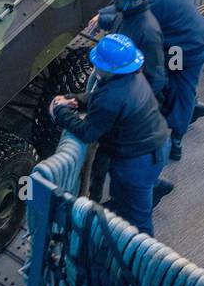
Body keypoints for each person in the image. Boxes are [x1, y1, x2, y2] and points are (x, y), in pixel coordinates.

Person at [48, 34, 171, 236]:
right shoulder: (130, 77)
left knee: (139, 221)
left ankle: (134, 265)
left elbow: (88, 132)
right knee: (124, 199)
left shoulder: (112, 95)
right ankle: (152, 189)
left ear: (109, 68)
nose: (96, 67)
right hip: (154, 145)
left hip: (138, 162)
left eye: (99, 64)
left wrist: (60, 112)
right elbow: (101, 99)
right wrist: (75, 100)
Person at [135, 0, 204, 162]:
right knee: (174, 82)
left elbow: (136, 15)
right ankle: (182, 111)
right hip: (180, 45)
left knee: (182, 87)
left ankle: (177, 138)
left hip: (189, 48)